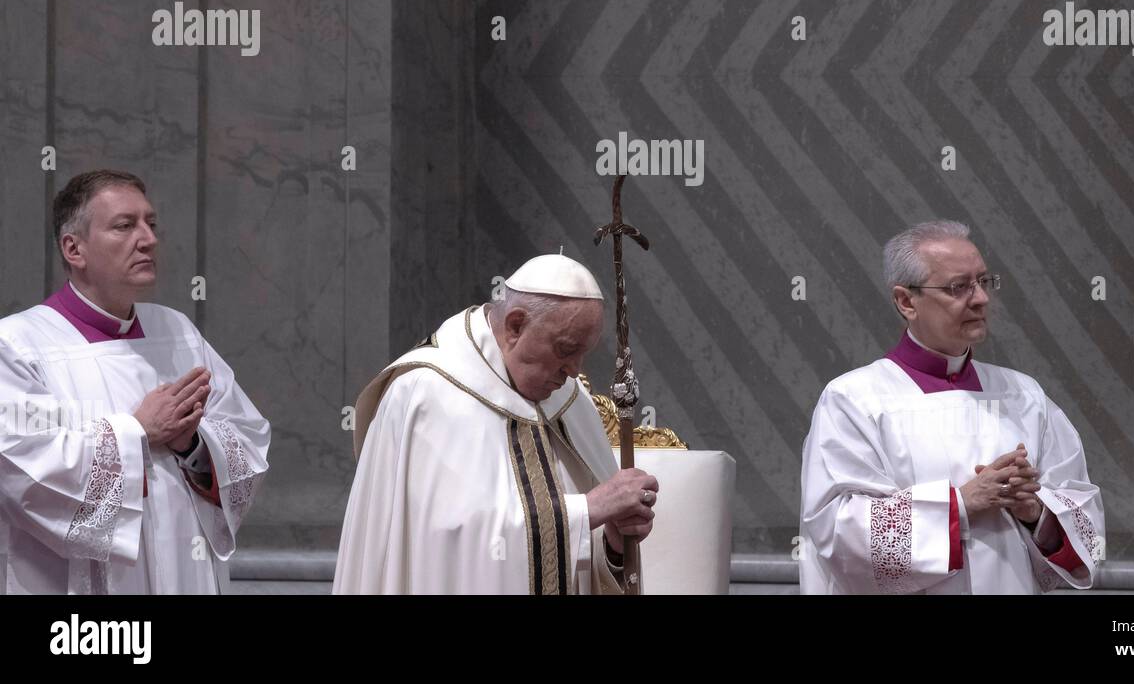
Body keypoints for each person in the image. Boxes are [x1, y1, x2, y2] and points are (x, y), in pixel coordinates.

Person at [0, 169, 270, 594]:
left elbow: (246, 442)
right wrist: (138, 431)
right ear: (75, 248)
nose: (148, 239)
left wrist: (193, 445)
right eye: (125, 226)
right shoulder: (18, 345)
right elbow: (23, 470)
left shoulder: (177, 332)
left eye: (151, 223)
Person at [800, 220, 1104, 594]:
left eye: (984, 281)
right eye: (958, 287)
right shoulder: (854, 400)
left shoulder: (1024, 396)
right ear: (906, 301)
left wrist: (1035, 513)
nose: (980, 299)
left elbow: (1085, 527)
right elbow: (837, 534)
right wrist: (960, 503)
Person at [334, 254, 659, 594]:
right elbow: (447, 552)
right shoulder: (424, 395)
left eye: (584, 354)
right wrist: (587, 511)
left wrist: (611, 543)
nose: (575, 371)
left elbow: (582, 563)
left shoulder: (569, 400)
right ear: (516, 325)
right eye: (566, 349)